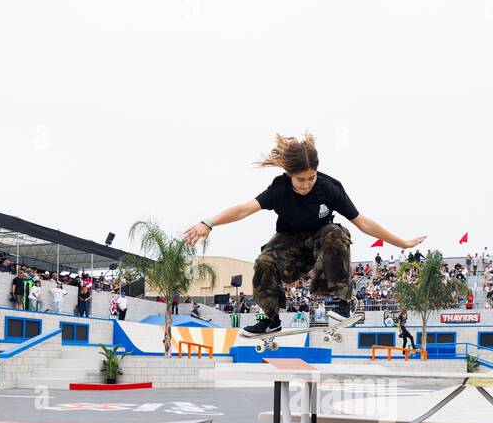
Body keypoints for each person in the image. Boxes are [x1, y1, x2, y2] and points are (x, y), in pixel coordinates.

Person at [182, 133, 425, 337]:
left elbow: (363, 223)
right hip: (290, 246)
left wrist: (401, 242)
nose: (306, 184)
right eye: (300, 180)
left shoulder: (330, 188)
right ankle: (271, 319)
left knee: (334, 233)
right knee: (263, 263)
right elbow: (244, 209)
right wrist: (209, 223)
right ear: (290, 175)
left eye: (311, 178)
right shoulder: (279, 188)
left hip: (321, 244)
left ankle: (342, 304)